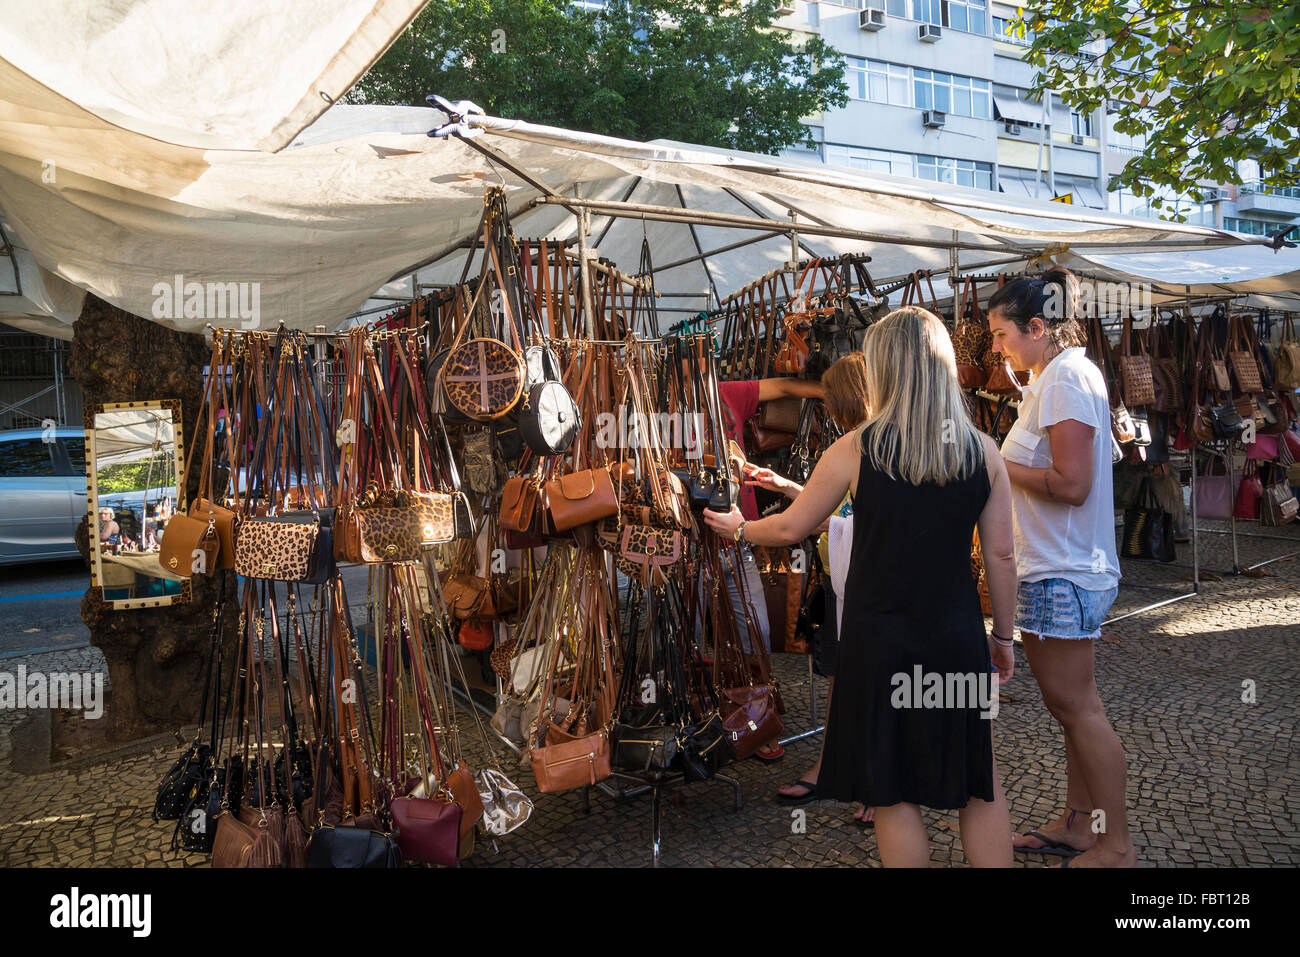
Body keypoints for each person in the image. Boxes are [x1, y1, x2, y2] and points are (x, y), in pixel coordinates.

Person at [705, 307, 1017, 867]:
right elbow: (1001, 554)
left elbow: (792, 525)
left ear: (884, 368)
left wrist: (739, 529)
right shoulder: (983, 451)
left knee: (891, 790)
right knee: (979, 781)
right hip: (956, 638)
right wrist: (1005, 638)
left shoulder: (857, 448)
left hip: (880, 643)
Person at [987, 268, 1137, 868]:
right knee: (1070, 708)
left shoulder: (1066, 377)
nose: (996, 348)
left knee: (1079, 708)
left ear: (1038, 327)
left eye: (1001, 335)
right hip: (1058, 566)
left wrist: (996, 468)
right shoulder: (1056, 376)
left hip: (1063, 569)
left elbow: (1072, 485)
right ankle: (1080, 824)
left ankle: (1116, 846)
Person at [744, 354, 873, 822]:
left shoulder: (873, 446)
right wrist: (783, 484)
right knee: (843, 678)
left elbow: (815, 523)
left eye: (830, 397)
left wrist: (742, 530)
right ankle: (832, 766)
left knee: (870, 683)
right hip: (842, 582)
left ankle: (880, 787)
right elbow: (836, 512)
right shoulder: (852, 444)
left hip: (867, 587)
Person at [715, 375, 826, 761]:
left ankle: (758, 715)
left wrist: (828, 391)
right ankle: (709, 718)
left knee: (757, 630)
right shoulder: (665, 408)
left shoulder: (727, 392)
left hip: (740, 541)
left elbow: (783, 386)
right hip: (693, 548)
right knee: (696, 638)